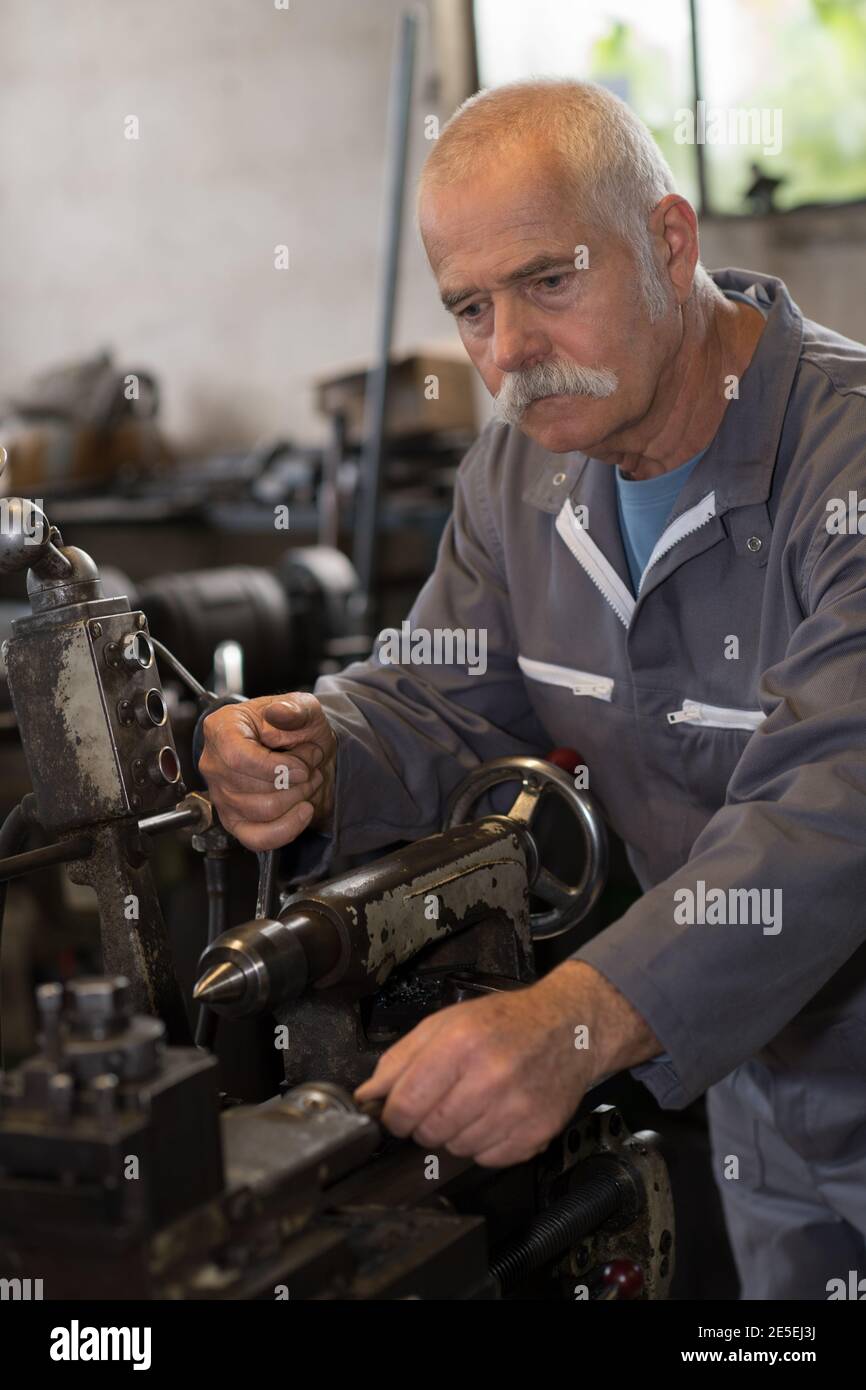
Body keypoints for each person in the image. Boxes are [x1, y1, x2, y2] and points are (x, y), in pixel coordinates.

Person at [198, 80, 866, 1299]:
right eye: (470, 308)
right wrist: (320, 743)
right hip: (753, 1078)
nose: (506, 351)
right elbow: (441, 693)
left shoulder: (847, 458)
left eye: (548, 281)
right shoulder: (517, 476)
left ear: (670, 242)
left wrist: (577, 1020)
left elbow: (837, 802)